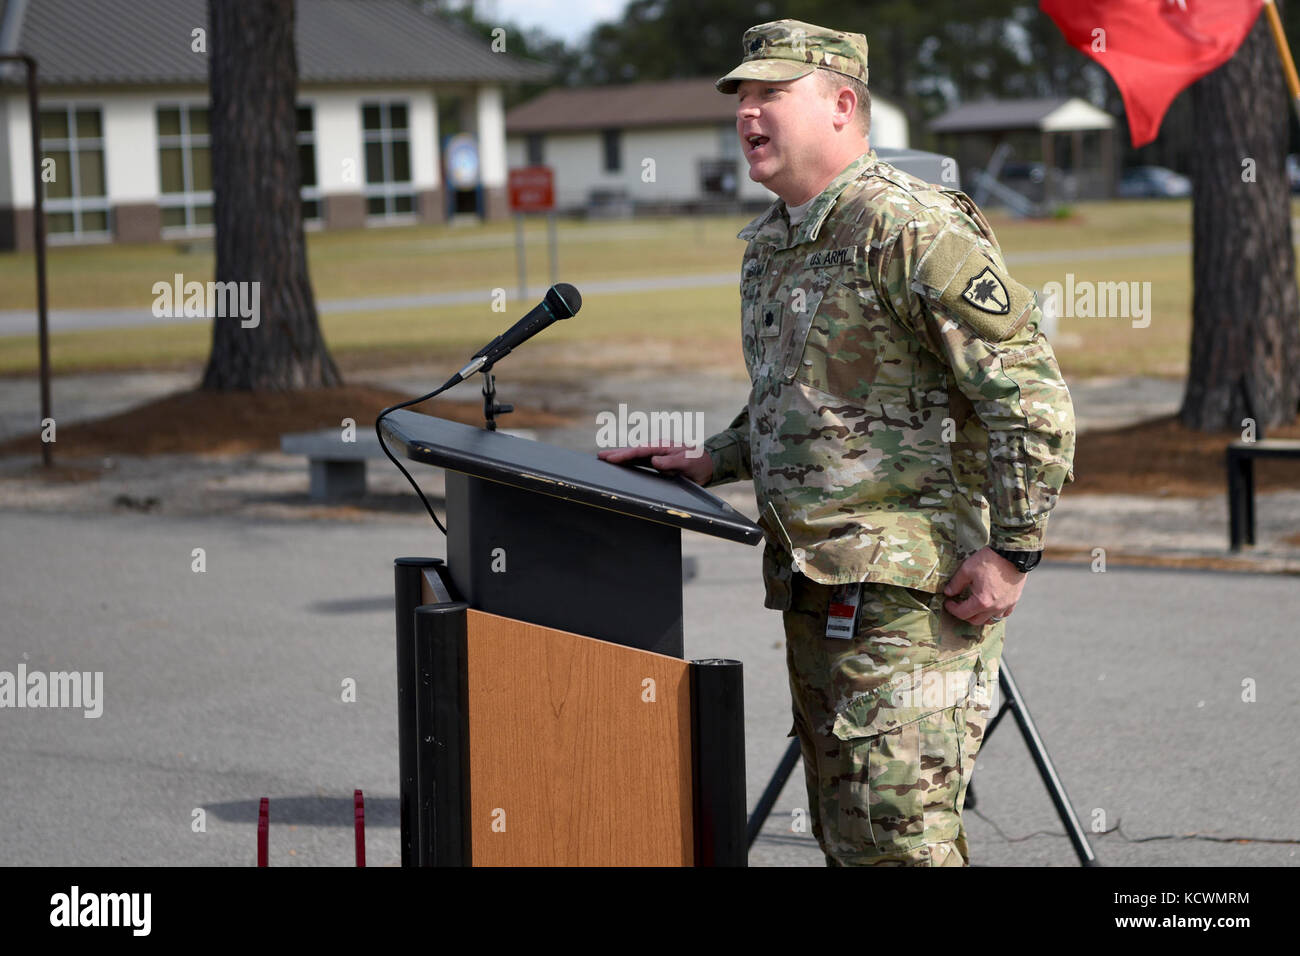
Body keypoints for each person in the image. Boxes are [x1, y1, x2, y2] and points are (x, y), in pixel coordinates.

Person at [598, 19, 1075, 866]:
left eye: (770, 95)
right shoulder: (777, 242)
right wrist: (716, 456)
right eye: (741, 98)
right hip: (815, 590)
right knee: (849, 840)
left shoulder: (912, 229)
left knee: (902, 846)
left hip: (911, 597)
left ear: (842, 105)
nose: (747, 115)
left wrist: (1012, 555)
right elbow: (800, 396)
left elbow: (1029, 401)